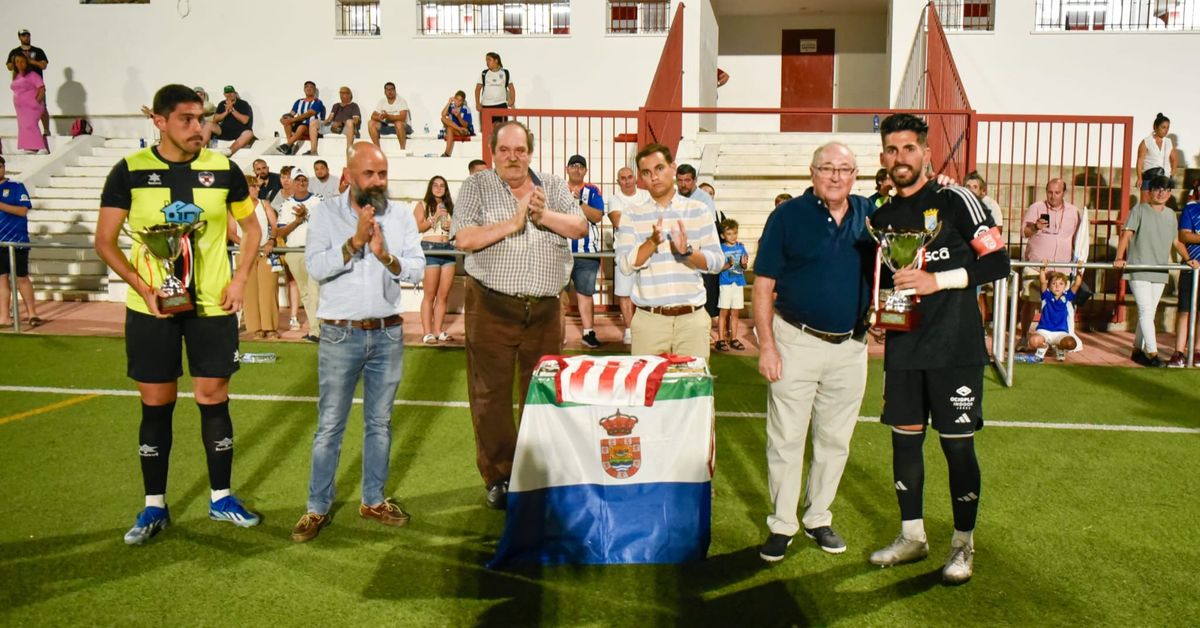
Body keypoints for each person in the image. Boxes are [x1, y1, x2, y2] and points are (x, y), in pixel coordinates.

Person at [93, 84, 263, 545]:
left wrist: (240, 278)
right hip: (153, 310)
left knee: (213, 398)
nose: (198, 128)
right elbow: (105, 241)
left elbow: (252, 229)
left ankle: (222, 496)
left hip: (211, 307)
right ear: (160, 121)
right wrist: (145, 289)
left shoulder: (224, 169)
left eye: (201, 119)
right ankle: (154, 506)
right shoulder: (128, 171)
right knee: (156, 404)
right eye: (186, 119)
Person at [867, 113, 1010, 584]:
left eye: (909, 148)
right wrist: (881, 313)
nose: (899, 158)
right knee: (904, 444)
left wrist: (936, 281)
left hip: (955, 349)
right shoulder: (881, 214)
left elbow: (999, 262)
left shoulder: (957, 199)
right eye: (891, 150)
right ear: (883, 156)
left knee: (957, 449)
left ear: (927, 153)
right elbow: (889, 276)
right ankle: (912, 537)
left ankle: (963, 545)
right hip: (905, 349)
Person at [291, 142, 425, 543]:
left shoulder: (400, 215)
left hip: (387, 332)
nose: (379, 181)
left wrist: (385, 256)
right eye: (370, 174)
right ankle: (316, 508)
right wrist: (353, 243)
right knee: (330, 425)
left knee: (380, 423)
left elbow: (416, 269)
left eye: (383, 174)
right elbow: (314, 267)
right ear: (349, 175)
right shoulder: (325, 215)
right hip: (338, 332)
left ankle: (373, 499)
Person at [451, 120, 586, 509]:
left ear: (531, 152)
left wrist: (544, 217)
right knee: (490, 397)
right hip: (491, 305)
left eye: (520, 150)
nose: (513, 157)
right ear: (494, 151)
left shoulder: (554, 187)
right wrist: (513, 223)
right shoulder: (477, 185)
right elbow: (464, 238)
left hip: (545, 308)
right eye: (505, 150)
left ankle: (536, 472)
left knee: (542, 394)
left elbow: (578, 227)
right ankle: (500, 476)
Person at [753, 142, 875, 563]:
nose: (836, 176)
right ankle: (782, 524)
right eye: (828, 168)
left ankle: (818, 516)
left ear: (855, 175)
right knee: (786, 439)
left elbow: (916, 217)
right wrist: (766, 345)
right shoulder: (787, 217)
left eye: (844, 169)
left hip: (851, 347)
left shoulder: (869, 214)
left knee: (834, 439)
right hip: (795, 341)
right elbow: (764, 284)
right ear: (812, 172)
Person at [615, 144, 723, 359]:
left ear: (673, 167)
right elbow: (625, 265)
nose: (654, 176)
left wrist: (687, 252)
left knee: (693, 391)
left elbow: (717, 262)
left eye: (659, 168)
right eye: (646, 172)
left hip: (692, 320)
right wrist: (651, 242)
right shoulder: (631, 214)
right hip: (649, 321)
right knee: (649, 391)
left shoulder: (698, 210)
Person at [1114, 175, 1194, 367]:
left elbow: (1176, 241)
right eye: (1158, 189)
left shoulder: (1170, 215)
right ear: (1150, 191)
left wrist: (1189, 258)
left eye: (1166, 190)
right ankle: (1153, 353)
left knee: (1149, 312)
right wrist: (1119, 257)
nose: (1161, 193)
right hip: (1139, 268)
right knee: (1145, 310)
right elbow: (1126, 234)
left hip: (1159, 271)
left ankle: (1137, 350)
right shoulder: (1139, 209)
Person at [1018, 179, 1084, 349]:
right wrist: (1036, 227)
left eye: (1057, 192)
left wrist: (1079, 261)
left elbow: (1079, 237)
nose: (1053, 196)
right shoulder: (1036, 207)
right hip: (1036, 265)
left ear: (1064, 193)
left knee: (1061, 304)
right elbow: (1024, 233)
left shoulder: (1073, 212)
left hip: (1062, 268)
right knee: (1030, 302)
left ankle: (1058, 339)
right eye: (1049, 192)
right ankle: (1024, 337)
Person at [276, 169, 323, 342]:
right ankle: (315, 329)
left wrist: (306, 216)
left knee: (315, 290)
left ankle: (318, 330)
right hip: (294, 251)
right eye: (298, 180)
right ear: (293, 183)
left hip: (314, 250)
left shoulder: (318, 200)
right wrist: (297, 220)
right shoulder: (286, 204)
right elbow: (280, 231)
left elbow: (325, 224)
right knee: (305, 292)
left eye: (304, 180)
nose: (301, 183)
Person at [565, 154, 606, 349]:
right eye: (573, 166)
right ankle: (557, 334)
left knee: (585, 293)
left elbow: (597, 217)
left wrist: (579, 203)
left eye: (580, 166)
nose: (576, 169)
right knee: (558, 295)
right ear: (567, 169)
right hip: (560, 251)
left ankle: (588, 333)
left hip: (587, 251)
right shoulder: (557, 188)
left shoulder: (592, 190)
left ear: (585, 170)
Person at [607, 166, 650, 345]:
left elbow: (654, 218)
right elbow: (617, 221)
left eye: (629, 177)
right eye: (622, 178)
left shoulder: (646, 195)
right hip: (624, 251)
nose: (626, 180)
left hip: (647, 249)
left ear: (635, 178)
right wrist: (641, 217)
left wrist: (629, 217)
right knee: (625, 294)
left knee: (647, 291)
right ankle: (629, 330)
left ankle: (646, 329)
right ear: (618, 182)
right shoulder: (614, 199)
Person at [237, 174, 280, 340]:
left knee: (268, 288)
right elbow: (231, 230)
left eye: (258, 186)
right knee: (249, 290)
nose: (257, 189)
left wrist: (271, 240)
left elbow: (274, 226)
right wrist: (246, 243)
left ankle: (270, 327)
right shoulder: (236, 207)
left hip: (265, 251)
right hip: (245, 251)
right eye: (253, 186)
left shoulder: (264, 204)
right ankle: (255, 328)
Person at [414, 175, 456, 344]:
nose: (439, 188)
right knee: (429, 295)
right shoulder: (422, 205)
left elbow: (457, 230)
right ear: (430, 187)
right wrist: (435, 216)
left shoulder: (450, 207)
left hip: (448, 250)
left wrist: (451, 227)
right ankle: (427, 332)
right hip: (430, 249)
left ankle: (438, 330)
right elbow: (418, 227)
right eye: (435, 185)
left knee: (443, 295)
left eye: (442, 186)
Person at [0, 155, 40, 326]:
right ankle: (4, 316)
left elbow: (23, 211)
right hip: (0, 243)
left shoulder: (16, 187)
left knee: (22, 277)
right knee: (1, 278)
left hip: (17, 240)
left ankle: (32, 314)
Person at [1024, 264, 1085, 363]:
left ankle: (1059, 347)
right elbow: (1043, 282)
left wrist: (1079, 271)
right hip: (1044, 331)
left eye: (1061, 284)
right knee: (1033, 341)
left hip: (1060, 332)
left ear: (1065, 286)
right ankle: (1043, 347)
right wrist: (1042, 269)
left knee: (1071, 343)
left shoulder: (1067, 296)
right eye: (1054, 283)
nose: (1057, 286)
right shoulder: (1046, 296)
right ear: (1049, 286)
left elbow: (1077, 284)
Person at [1169, 188, 1200, 367]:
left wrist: (1195, 237)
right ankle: (1179, 351)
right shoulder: (1191, 209)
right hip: (1191, 267)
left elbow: (1191, 235)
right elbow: (1184, 235)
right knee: (1184, 310)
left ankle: (1197, 351)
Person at [7, 29, 49, 136]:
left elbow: (43, 65)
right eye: (23, 35)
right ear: (19, 37)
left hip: (36, 85)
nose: (26, 37)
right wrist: (17, 61)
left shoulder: (38, 51)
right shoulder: (15, 52)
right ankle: (29, 133)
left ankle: (46, 130)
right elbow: (9, 66)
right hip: (22, 87)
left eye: (27, 35)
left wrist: (30, 61)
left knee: (42, 107)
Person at [715, 219, 748, 352]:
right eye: (729, 233)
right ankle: (721, 339)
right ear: (723, 235)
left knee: (735, 312)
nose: (733, 236)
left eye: (735, 233)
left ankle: (733, 338)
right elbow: (717, 268)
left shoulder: (741, 247)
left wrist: (744, 264)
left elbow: (744, 266)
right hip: (725, 284)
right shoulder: (720, 248)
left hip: (738, 282)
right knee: (724, 312)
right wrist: (728, 265)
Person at [9, 53, 47, 154]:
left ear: (26, 62)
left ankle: (38, 146)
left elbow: (42, 88)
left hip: (32, 107)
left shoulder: (33, 75)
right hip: (21, 108)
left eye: (22, 61)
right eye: (17, 62)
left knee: (31, 125)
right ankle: (28, 146)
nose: (19, 64)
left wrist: (36, 101)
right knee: (23, 126)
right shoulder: (16, 76)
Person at [201, 86, 254, 157]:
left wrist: (232, 109)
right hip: (224, 130)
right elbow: (215, 119)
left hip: (239, 131)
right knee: (208, 124)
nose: (229, 95)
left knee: (249, 133)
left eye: (231, 93)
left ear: (235, 93)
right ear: (224, 95)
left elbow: (245, 121)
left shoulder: (243, 104)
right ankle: (199, 149)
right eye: (227, 93)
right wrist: (226, 112)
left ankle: (230, 150)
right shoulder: (221, 104)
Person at [1135, 113, 1176, 203]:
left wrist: (1171, 174)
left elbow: (1174, 160)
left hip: (1164, 178)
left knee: (1160, 207)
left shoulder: (1169, 142)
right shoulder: (1147, 141)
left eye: (1167, 128)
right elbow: (1140, 160)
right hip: (1149, 177)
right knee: (1145, 206)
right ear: (1155, 127)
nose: (1165, 130)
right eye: (1163, 127)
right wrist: (1139, 177)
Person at [277, 80, 326, 156]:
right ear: (304, 89)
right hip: (300, 126)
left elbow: (309, 114)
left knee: (301, 126)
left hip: (312, 128)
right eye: (306, 87)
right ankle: (289, 146)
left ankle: (288, 144)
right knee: (287, 119)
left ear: (314, 90)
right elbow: (291, 113)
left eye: (311, 87)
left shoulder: (318, 102)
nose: (308, 88)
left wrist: (292, 120)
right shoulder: (299, 101)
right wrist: (284, 118)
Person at [368, 82, 412, 151]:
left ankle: (402, 150)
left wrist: (388, 116)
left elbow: (402, 117)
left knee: (398, 123)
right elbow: (373, 116)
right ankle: (378, 150)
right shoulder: (382, 101)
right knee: (371, 123)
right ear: (384, 92)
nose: (389, 91)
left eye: (391, 89)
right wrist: (380, 117)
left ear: (395, 91)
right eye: (387, 90)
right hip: (388, 127)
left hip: (403, 127)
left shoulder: (401, 101)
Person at [475, 52, 515, 124]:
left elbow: (511, 87)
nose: (487, 62)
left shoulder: (505, 72)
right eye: (486, 60)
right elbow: (477, 89)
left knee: (502, 129)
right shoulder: (484, 73)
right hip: (486, 105)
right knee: (487, 130)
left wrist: (512, 100)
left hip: (501, 105)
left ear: (496, 60)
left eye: (489, 60)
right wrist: (477, 104)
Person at [439, 90, 475, 158]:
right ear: (454, 98)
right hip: (457, 129)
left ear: (463, 101)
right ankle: (447, 154)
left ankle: (447, 153)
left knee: (450, 128)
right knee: (443, 119)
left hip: (465, 130)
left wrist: (458, 117)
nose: (457, 102)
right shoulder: (452, 106)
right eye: (456, 99)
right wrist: (449, 102)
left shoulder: (466, 109)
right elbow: (443, 114)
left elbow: (466, 125)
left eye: (460, 100)